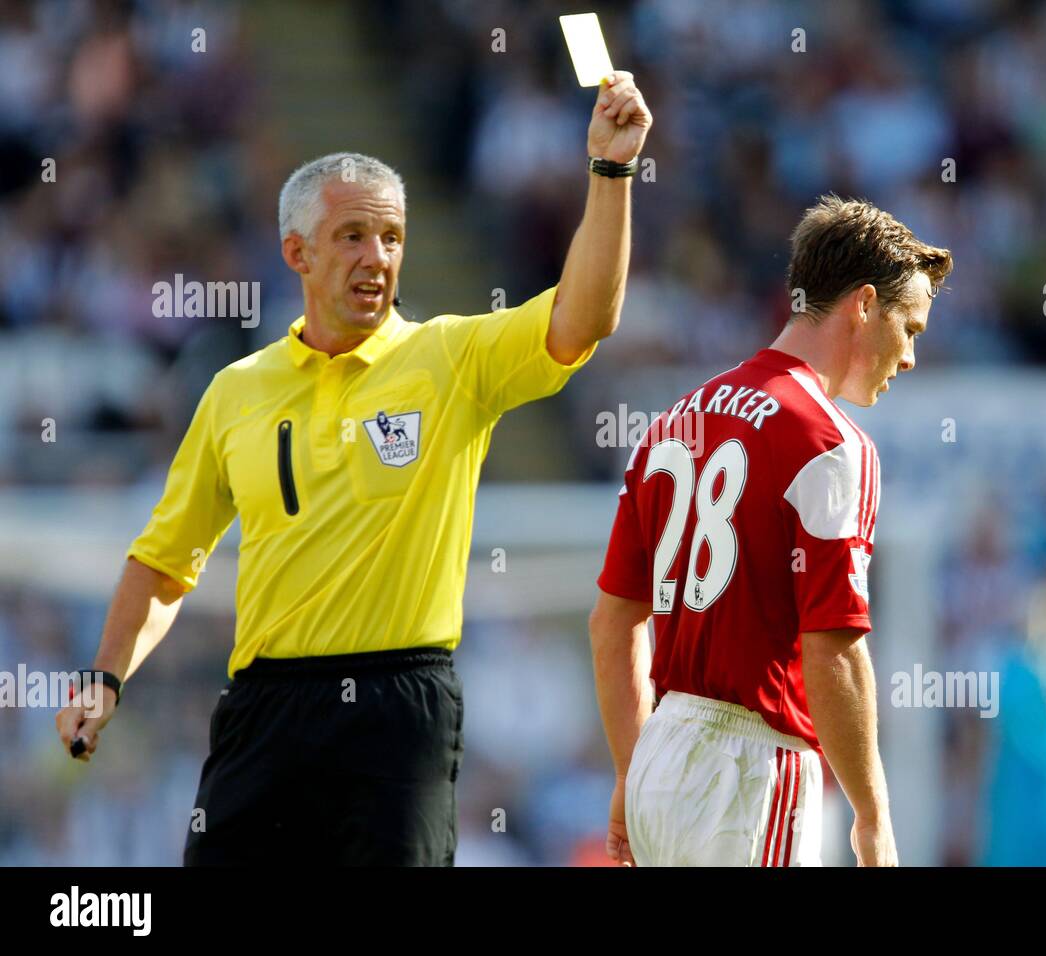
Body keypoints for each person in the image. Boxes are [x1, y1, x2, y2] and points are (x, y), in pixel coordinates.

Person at [54, 72, 652, 866]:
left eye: (394, 237)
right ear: (296, 252)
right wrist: (107, 676)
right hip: (264, 710)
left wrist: (610, 174)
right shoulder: (237, 391)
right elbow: (165, 564)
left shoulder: (451, 357)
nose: (378, 257)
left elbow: (585, 316)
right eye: (353, 237)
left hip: (397, 710)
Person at [589, 195, 951, 866]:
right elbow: (834, 652)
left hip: (659, 753)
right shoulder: (831, 444)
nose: (909, 358)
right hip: (754, 768)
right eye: (912, 329)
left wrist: (627, 768)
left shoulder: (675, 419)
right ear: (865, 304)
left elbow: (613, 622)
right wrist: (872, 815)